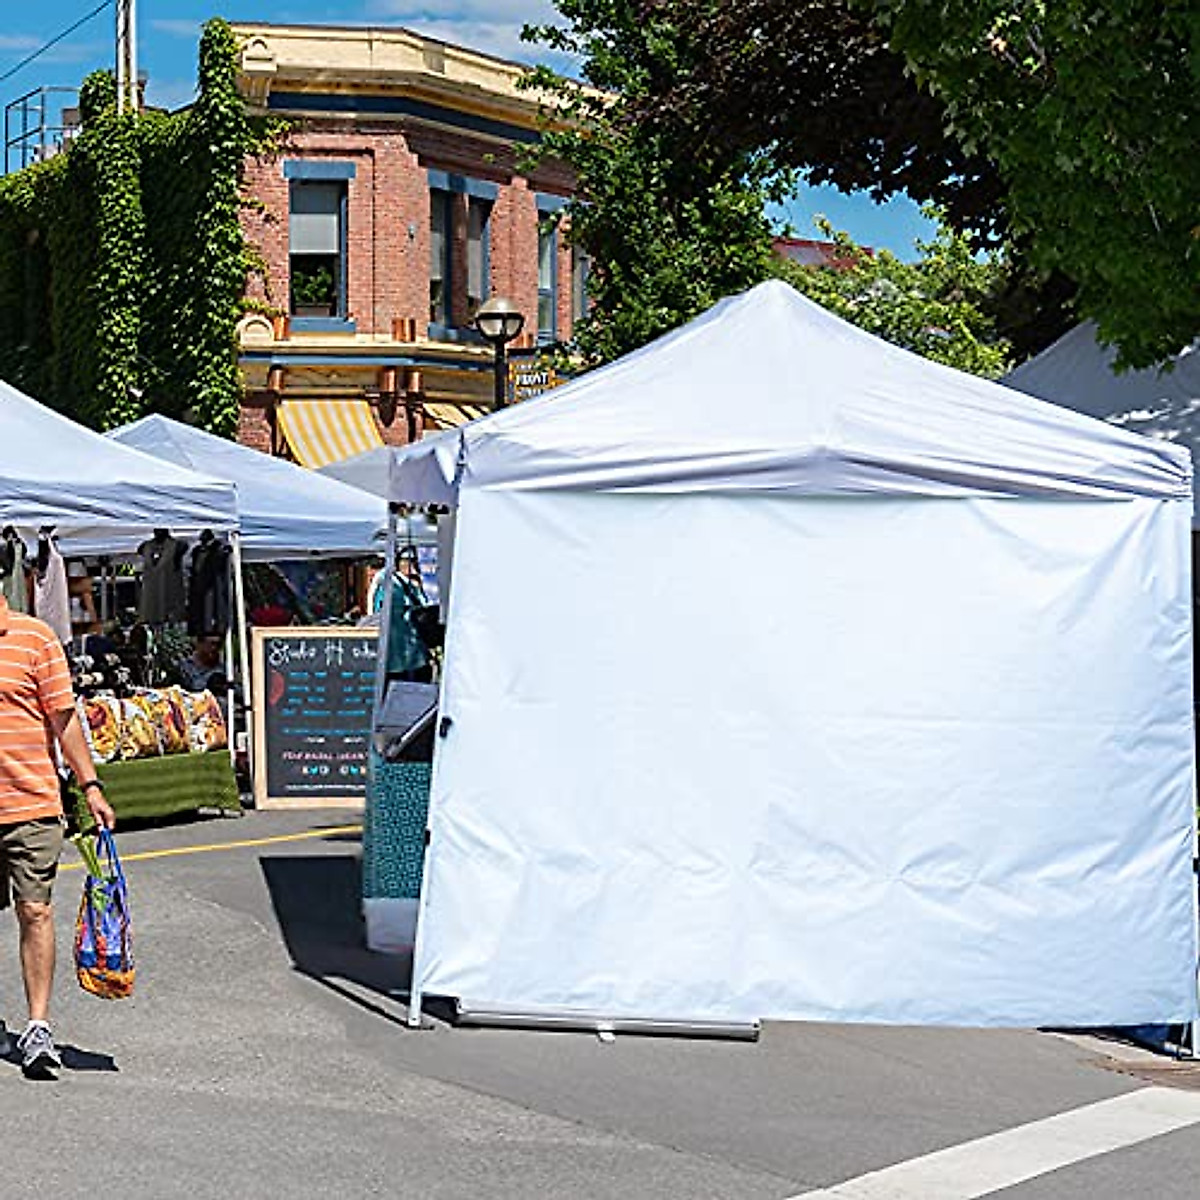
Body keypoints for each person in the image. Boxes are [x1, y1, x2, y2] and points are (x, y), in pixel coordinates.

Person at [0, 593, 115, 1077]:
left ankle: (37, 1026)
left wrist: (90, 784)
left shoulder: (35, 638)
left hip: (31, 803)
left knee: (35, 909)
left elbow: (64, 720)